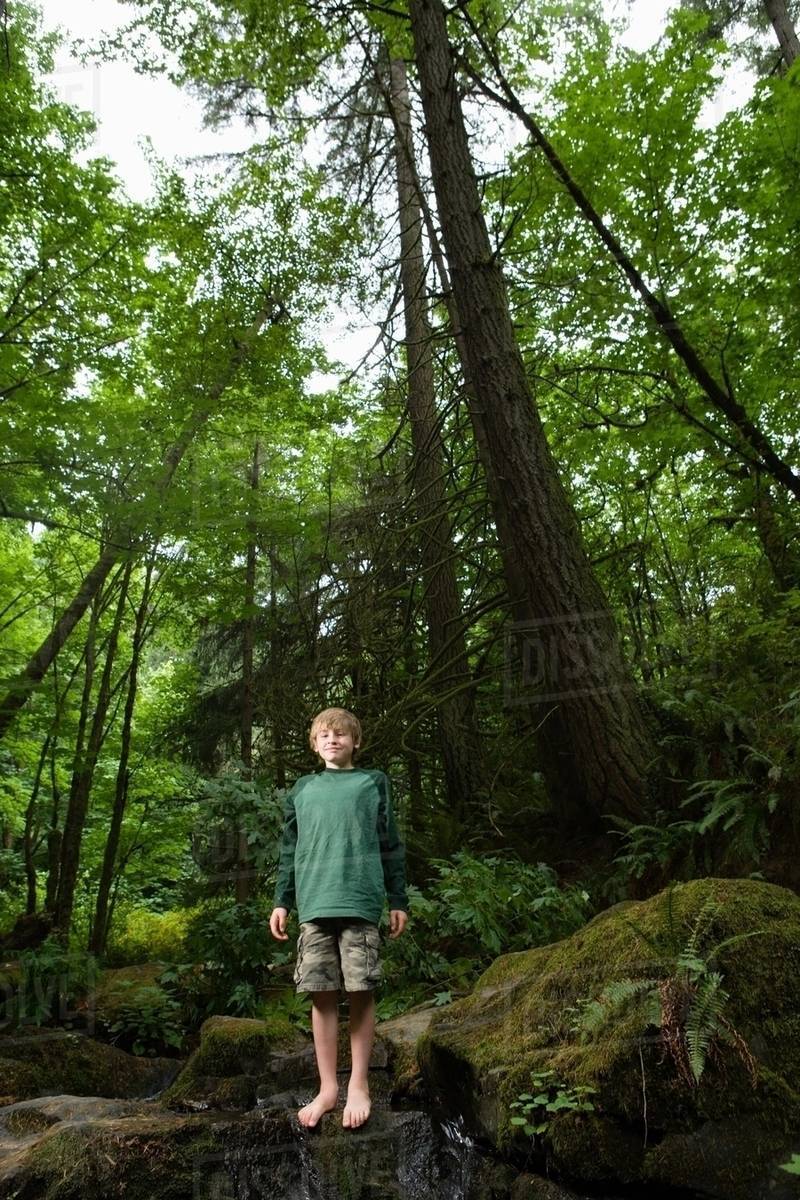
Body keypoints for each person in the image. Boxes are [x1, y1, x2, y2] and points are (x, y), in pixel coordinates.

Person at [269, 707, 409, 1130]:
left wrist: (398, 898)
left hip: (360, 900)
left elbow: (390, 842)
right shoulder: (303, 789)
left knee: (360, 989)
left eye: (341, 734)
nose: (333, 740)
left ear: (356, 742)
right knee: (321, 993)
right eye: (325, 735)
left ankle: (359, 1084)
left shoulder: (373, 782)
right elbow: (289, 849)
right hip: (314, 904)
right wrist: (282, 901)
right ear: (315, 745)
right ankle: (328, 1087)